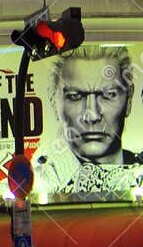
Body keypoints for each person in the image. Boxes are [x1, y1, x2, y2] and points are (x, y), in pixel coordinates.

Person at [37, 47, 142, 195]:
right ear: (53, 101)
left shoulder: (139, 172)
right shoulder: (38, 182)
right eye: (75, 96)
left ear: (129, 100)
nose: (92, 115)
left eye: (108, 95)